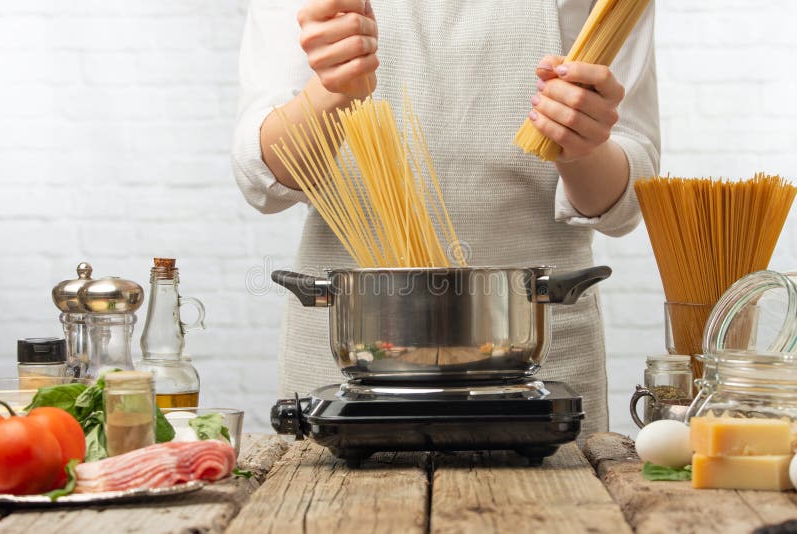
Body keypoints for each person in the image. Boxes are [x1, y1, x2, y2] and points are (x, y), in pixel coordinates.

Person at [232, 0, 660, 437]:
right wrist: (332, 92)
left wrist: (582, 147)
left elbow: (625, 204)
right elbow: (262, 180)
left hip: (539, 364)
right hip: (347, 362)